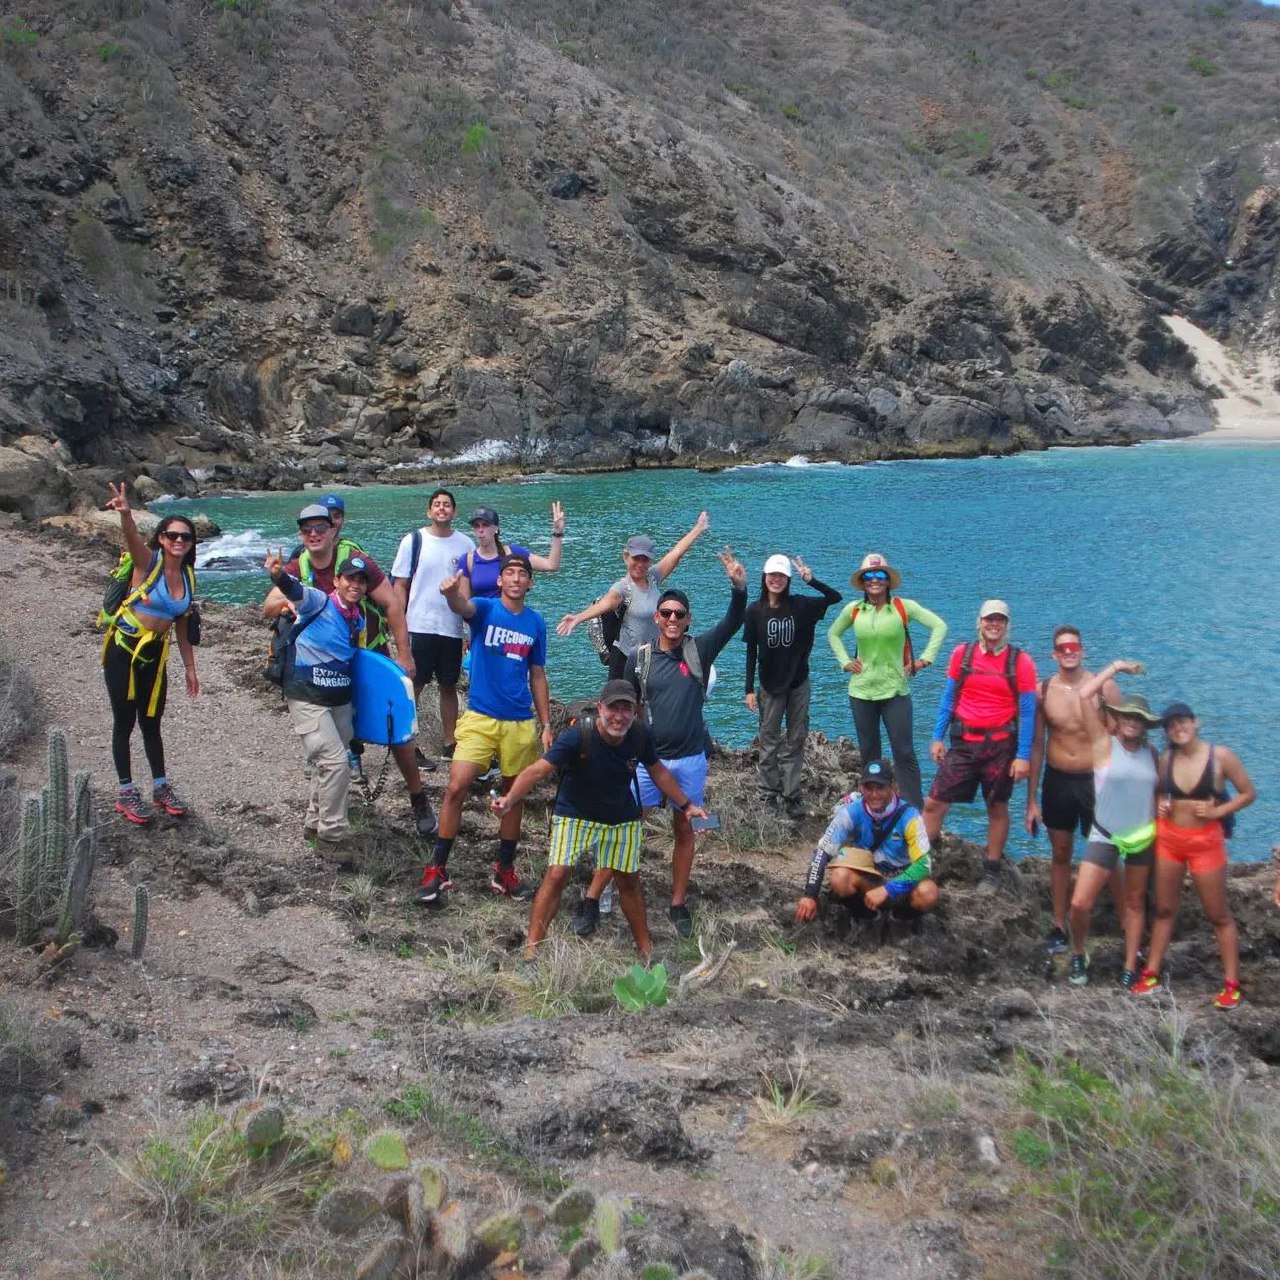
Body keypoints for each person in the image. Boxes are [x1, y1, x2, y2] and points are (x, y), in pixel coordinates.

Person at [577, 548, 746, 939]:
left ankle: (677, 903)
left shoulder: (699, 650)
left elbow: (734, 622)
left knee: (684, 830)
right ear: (656, 618)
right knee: (623, 827)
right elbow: (626, 709)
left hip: (690, 760)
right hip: (648, 764)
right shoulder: (640, 658)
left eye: (679, 615)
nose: (672, 619)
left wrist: (739, 587)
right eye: (666, 613)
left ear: (688, 621)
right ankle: (593, 898)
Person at [498, 680, 709, 962]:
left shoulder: (639, 734)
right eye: (613, 708)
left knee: (629, 881)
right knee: (557, 874)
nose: (619, 717)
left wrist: (686, 805)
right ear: (600, 708)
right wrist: (509, 800)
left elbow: (658, 772)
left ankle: (645, 952)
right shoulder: (578, 735)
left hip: (620, 815)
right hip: (575, 812)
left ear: (635, 712)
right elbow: (537, 771)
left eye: (627, 709)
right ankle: (531, 950)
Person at [264, 502, 435, 837]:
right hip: (326, 665)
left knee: (397, 730)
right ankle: (331, 800)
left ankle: (418, 798)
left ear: (334, 530)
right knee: (336, 738)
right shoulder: (298, 566)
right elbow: (270, 604)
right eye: (306, 529)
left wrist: (405, 656)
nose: (313, 535)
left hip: (370, 655)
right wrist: (296, 602)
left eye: (321, 528)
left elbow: (392, 605)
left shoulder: (357, 562)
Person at [414, 553, 553, 905]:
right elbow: (463, 606)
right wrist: (449, 594)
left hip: (520, 721)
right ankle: (437, 869)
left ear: (530, 583)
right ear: (500, 581)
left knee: (513, 795)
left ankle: (504, 871)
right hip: (480, 717)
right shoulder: (486, 608)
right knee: (456, 787)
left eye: (523, 574)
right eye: (510, 573)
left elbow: (537, 675)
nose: (517, 579)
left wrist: (546, 722)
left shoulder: (536, 623)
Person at [1134, 703, 1256, 1008]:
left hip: (1206, 843)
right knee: (1164, 909)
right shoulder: (1166, 758)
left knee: (1218, 914)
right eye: (1171, 726)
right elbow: (1161, 792)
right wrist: (1162, 804)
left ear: (1195, 722)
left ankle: (1231, 985)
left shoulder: (1220, 757)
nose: (1178, 728)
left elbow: (1247, 793)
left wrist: (1218, 811)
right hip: (1170, 840)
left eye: (1182, 722)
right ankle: (1150, 973)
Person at [101, 482, 200, 824]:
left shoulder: (188, 576)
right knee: (125, 720)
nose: (178, 541)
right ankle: (127, 791)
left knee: (152, 721)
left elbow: (183, 623)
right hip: (124, 650)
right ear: (161, 538)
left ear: (191, 544)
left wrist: (190, 667)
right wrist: (126, 514)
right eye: (172, 535)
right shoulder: (149, 564)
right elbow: (131, 540)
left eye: (185, 537)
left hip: (156, 655)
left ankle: (160, 786)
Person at [262, 546, 370, 860]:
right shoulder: (319, 602)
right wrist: (279, 575)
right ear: (336, 581)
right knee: (336, 763)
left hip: (338, 697)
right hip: (306, 695)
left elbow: (356, 662)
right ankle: (331, 838)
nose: (355, 585)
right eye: (349, 578)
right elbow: (294, 590)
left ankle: (314, 821)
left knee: (327, 763)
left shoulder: (357, 618)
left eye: (362, 581)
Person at [924, 600, 1038, 892]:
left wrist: (1023, 756)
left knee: (997, 806)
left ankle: (992, 870)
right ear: (980, 622)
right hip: (964, 743)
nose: (994, 625)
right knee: (935, 803)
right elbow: (949, 698)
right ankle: (920, 863)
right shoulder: (963, 655)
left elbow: (1027, 712)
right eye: (989, 620)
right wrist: (938, 736)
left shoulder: (1020, 662)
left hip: (1000, 745)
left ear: (1007, 625)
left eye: (1000, 620)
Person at [1025, 627, 1123, 952]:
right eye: (1062, 648)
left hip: (1095, 781)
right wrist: (1031, 800)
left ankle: (1124, 923)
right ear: (1054, 654)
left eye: (1074, 646)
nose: (1069, 652)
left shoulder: (1104, 688)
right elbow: (1038, 743)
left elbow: (1120, 739)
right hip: (1058, 780)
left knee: (1108, 855)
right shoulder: (1045, 690)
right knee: (1061, 854)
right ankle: (1058, 925)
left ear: (1082, 650)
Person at [826, 553, 946, 810]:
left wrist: (924, 660)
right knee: (870, 754)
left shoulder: (903, 608)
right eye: (869, 576)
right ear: (863, 581)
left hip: (895, 691)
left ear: (888, 580)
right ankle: (873, 805)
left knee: (904, 753)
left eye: (880, 575)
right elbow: (833, 634)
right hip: (861, 692)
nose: (874, 580)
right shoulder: (855, 610)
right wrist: (845, 661)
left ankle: (913, 808)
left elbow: (939, 626)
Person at [1063, 684, 1161, 989]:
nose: (1132, 721)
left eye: (1139, 717)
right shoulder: (1104, 744)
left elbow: (1158, 793)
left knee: (1134, 902)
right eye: (1127, 715)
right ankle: (1079, 953)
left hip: (1142, 835)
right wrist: (1115, 667)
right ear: (1117, 719)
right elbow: (1082, 697)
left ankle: (1131, 964)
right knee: (1080, 902)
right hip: (1105, 833)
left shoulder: (1153, 754)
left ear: (1145, 724)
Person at [743, 554, 842, 818]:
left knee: (796, 739)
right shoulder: (754, 610)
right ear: (764, 578)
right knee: (768, 739)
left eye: (782, 576)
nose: (776, 580)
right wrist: (748, 690)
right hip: (769, 685)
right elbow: (751, 651)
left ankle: (791, 794)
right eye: (772, 575)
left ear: (788, 579)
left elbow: (835, 597)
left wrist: (811, 580)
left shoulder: (802, 606)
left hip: (798, 682)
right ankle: (767, 794)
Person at [556, 512, 711, 679]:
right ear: (626, 557)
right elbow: (606, 603)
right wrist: (578, 618)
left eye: (645, 560)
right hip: (625, 660)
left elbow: (676, 554)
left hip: (651, 658)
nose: (640, 564)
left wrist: (698, 528)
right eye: (636, 558)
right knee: (622, 703)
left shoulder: (653, 577)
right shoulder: (623, 588)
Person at [793, 759, 938, 923]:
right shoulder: (850, 812)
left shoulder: (910, 817)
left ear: (893, 787)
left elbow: (924, 865)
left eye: (880, 788)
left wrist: (889, 889)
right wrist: (810, 895)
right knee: (839, 878)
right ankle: (867, 917)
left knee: (929, 893)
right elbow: (821, 852)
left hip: (902, 883)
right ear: (861, 788)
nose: (874, 794)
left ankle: (900, 921)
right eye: (869, 788)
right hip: (869, 881)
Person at [391, 489, 475, 763]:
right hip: (419, 625)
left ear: (455, 512)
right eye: (437, 505)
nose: (442, 508)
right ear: (429, 511)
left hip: (450, 627)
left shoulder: (465, 545)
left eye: (447, 505)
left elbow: (468, 591)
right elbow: (400, 585)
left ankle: (449, 742)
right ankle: (407, 743)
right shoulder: (413, 541)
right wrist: (400, 622)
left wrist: (468, 630)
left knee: (448, 686)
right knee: (415, 685)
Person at [459, 503, 565, 599]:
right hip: (481, 619)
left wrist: (557, 532)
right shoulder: (467, 560)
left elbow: (551, 565)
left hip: (509, 618)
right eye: (476, 526)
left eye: (485, 525)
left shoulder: (512, 553)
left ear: (496, 528)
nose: (481, 530)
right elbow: (465, 605)